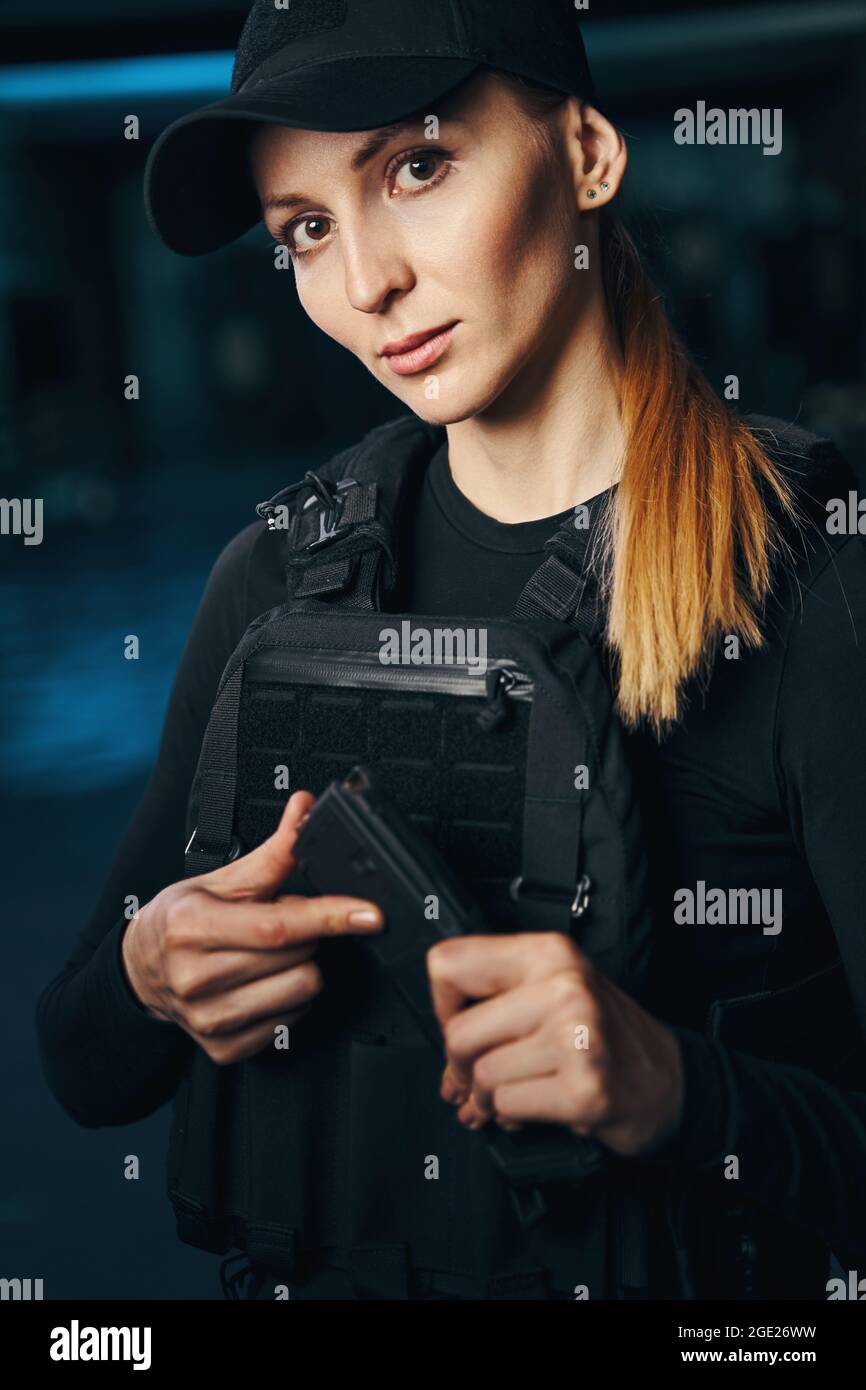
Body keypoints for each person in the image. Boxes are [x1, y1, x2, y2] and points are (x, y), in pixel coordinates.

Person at [35, 0, 866, 1301]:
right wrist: (151, 973)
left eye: (415, 168)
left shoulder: (812, 582)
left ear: (587, 153)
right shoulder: (276, 579)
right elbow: (82, 1067)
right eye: (306, 229)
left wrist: (677, 1089)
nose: (366, 282)